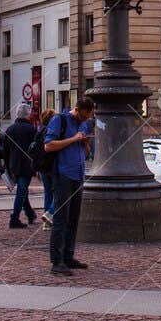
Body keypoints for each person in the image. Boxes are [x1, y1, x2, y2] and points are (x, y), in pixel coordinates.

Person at [43, 96, 95, 276]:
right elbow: (48, 146)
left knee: (73, 218)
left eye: (88, 117)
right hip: (62, 174)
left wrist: (85, 142)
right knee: (60, 218)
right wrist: (73, 139)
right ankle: (56, 261)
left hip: (78, 175)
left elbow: (87, 153)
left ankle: (68, 255)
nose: (86, 120)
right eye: (84, 116)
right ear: (78, 109)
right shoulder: (59, 120)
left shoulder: (84, 125)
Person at [2, 105, 39, 228]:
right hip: (26, 166)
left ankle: (30, 214)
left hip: (13, 165)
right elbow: (35, 150)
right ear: (27, 115)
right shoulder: (32, 130)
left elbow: (5, 152)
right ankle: (14, 218)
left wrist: (7, 167)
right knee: (22, 191)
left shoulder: (10, 129)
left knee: (23, 191)